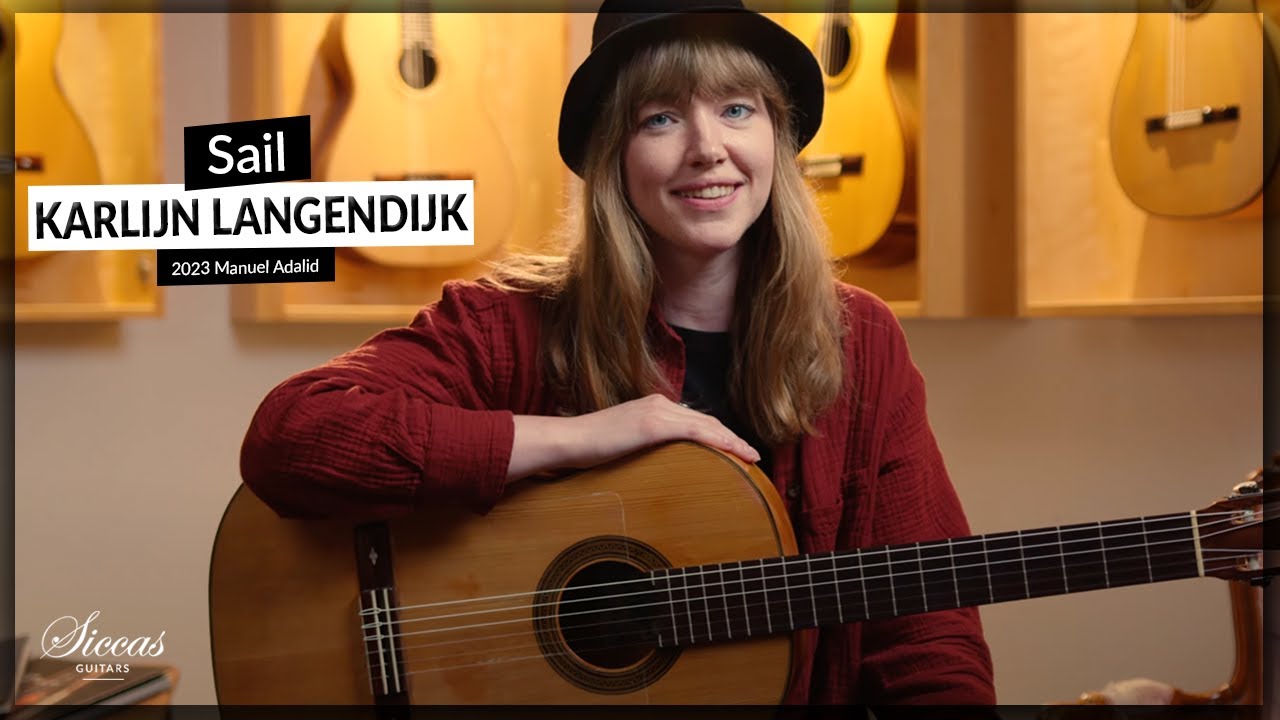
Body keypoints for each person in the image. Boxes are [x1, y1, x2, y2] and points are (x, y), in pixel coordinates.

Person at [240, 0, 996, 707]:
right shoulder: (509, 326)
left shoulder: (860, 342)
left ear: (778, 136)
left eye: (737, 109)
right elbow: (290, 435)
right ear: (614, 157)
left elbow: (925, 630)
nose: (709, 150)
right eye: (661, 118)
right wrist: (589, 434)